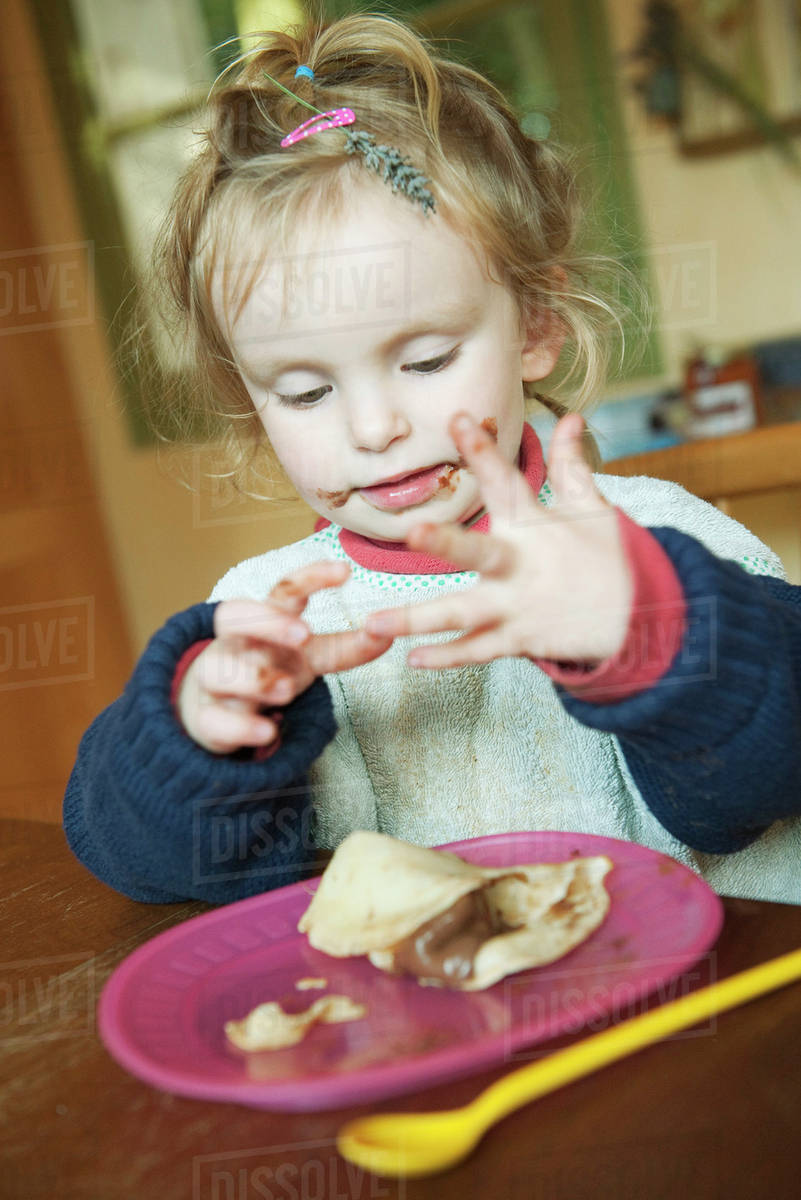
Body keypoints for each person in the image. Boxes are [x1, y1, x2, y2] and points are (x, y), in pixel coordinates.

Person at [64, 13, 801, 906]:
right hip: (418, 1037)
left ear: (535, 327)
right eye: (303, 392)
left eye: (423, 362)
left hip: (698, 1024)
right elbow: (146, 866)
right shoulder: (260, 618)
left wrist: (648, 628)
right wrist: (201, 737)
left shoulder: (655, 539)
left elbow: (771, 776)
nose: (374, 427)